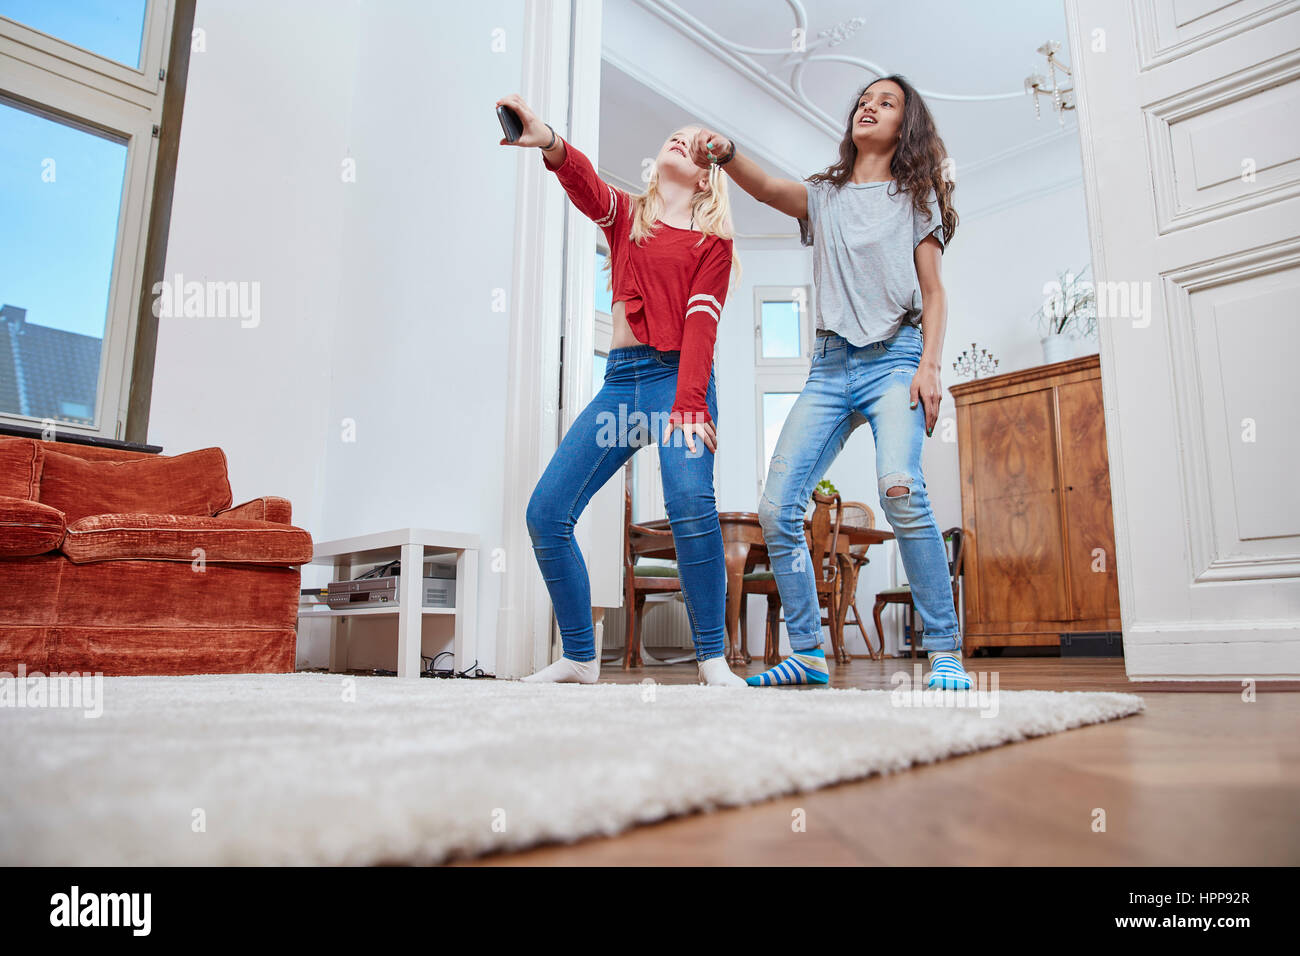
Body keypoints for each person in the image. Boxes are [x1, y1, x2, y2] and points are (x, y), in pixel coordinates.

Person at [689, 75, 971, 690]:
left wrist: (930, 366)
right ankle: (809, 651)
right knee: (775, 508)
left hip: (896, 357)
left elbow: (934, 291)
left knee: (899, 486)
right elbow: (765, 191)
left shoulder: (915, 195)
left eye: (886, 102)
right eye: (864, 99)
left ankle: (945, 648)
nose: (869, 106)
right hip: (830, 366)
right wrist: (728, 151)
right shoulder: (825, 195)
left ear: (907, 125)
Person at [496, 93, 747, 686]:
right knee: (547, 512)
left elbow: (701, 326)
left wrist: (689, 405)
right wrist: (549, 141)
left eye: (695, 141)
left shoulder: (713, 243)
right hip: (621, 387)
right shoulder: (630, 216)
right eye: (675, 135)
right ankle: (581, 657)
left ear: (710, 179)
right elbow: (586, 186)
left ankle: (713, 658)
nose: (681, 139)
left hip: (677, 382)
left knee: (690, 503)